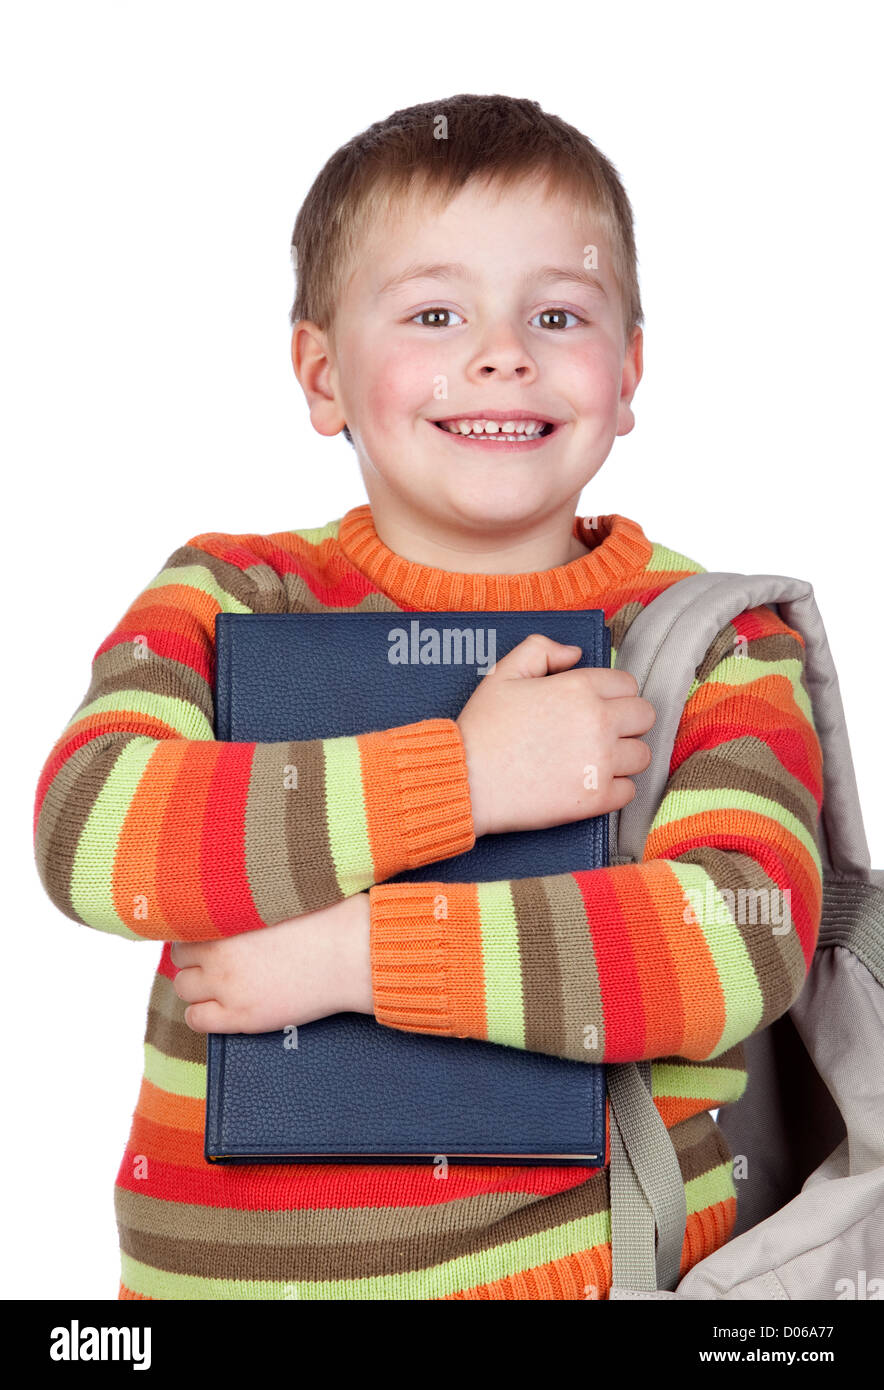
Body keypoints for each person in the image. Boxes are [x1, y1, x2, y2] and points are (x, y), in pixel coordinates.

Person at [32, 93, 823, 1301]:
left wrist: (357, 954)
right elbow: (90, 834)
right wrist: (462, 778)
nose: (501, 351)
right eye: (434, 311)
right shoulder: (232, 592)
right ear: (321, 373)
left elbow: (742, 940)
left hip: (573, 1278)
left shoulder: (710, 640)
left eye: (557, 313)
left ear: (626, 374)